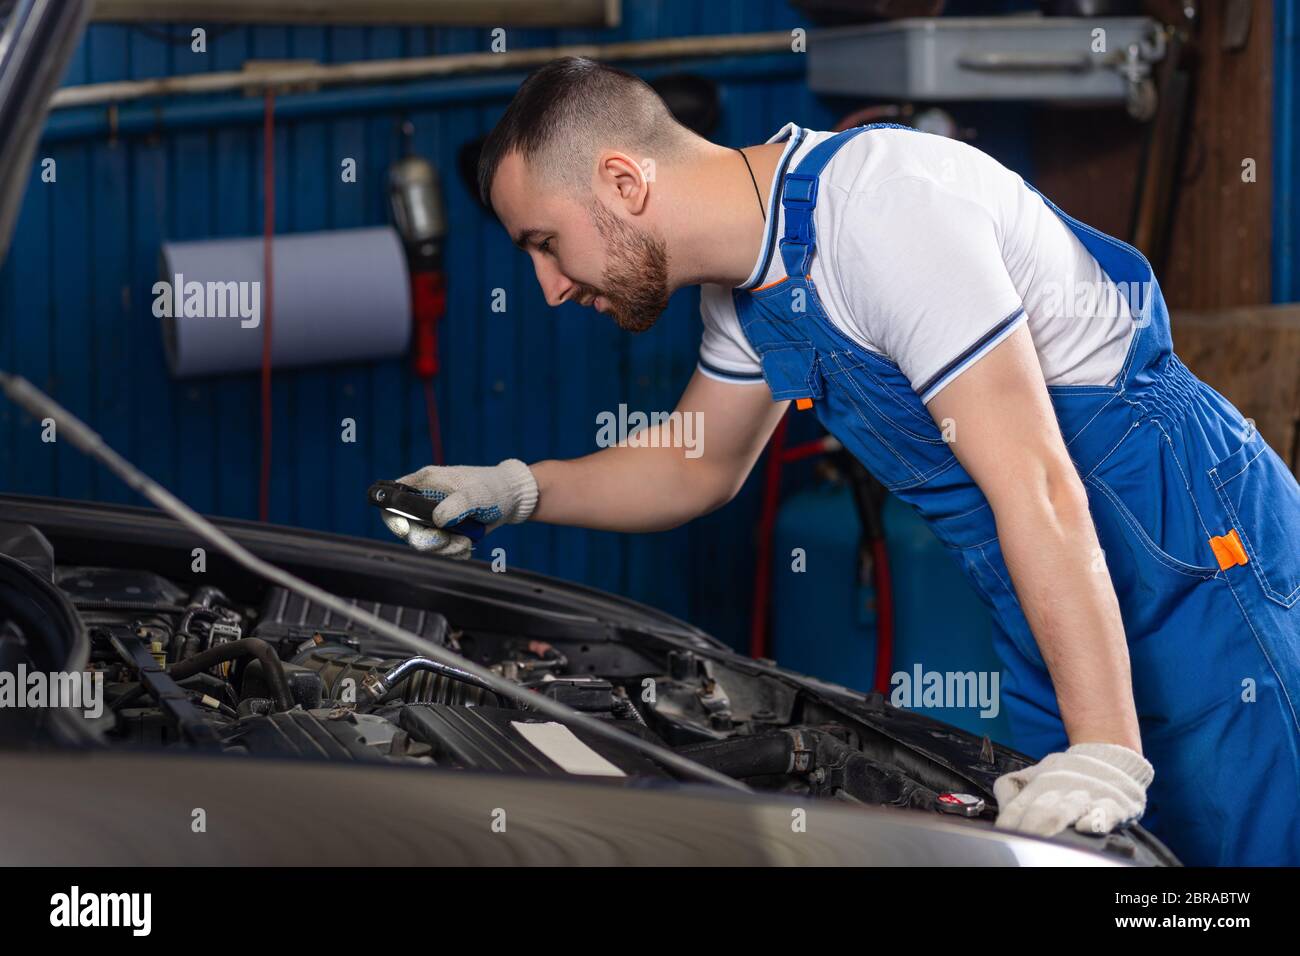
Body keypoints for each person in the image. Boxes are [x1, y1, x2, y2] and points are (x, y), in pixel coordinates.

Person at [380, 57, 1300, 866]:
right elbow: (694, 466)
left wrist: (1105, 741)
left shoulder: (882, 212)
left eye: (544, 243)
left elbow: (1037, 481)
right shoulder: (748, 292)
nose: (547, 286)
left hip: (1182, 549)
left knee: (1230, 862)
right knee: (1103, 867)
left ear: (622, 181)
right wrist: (517, 489)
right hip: (1048, 589)